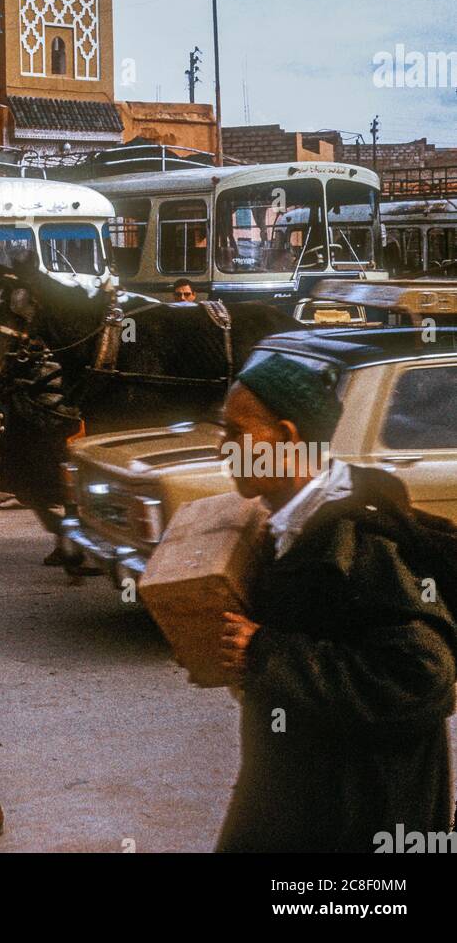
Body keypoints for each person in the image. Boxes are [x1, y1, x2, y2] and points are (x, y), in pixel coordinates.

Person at [215, 349, 457, 854]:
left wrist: (266, 653)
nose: (223, 449)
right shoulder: (289, 524)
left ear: (286, 436)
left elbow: (423, 675)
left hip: (363, 813)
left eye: (236, 434)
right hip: (301, 794)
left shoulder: (358, 540)